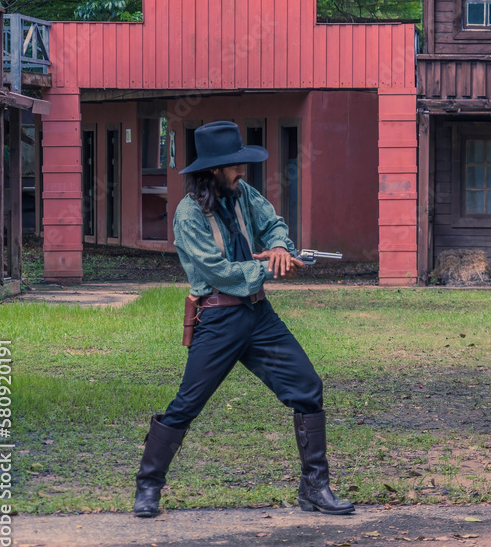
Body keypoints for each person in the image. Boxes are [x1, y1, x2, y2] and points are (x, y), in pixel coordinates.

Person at [133, 121, 354, 518]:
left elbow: (273, 224)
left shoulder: (242, 193)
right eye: (235, 165)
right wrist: (269, 269)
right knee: (186, 405)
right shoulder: (187, 215)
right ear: (215, 169)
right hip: (218, 319)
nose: (242, 171)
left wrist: (281, 248)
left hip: (258, 314)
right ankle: (148, 487)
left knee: (307, 386)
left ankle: (315, 489)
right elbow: (219, 273)